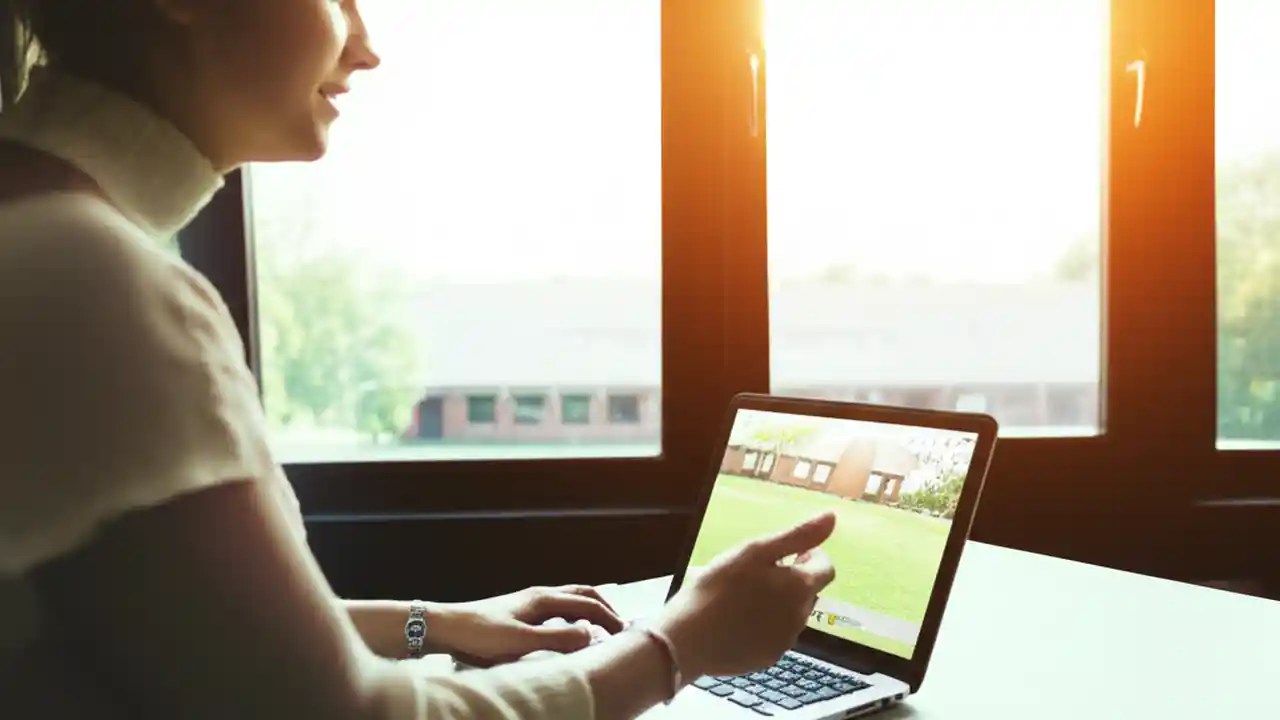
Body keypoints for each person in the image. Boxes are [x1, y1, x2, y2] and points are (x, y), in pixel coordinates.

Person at [0, 1, 838, 718]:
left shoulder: (40, 233)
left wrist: (435, 622)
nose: (364, 45)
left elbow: (192, 630)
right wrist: (679, 644)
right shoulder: (90, 276)